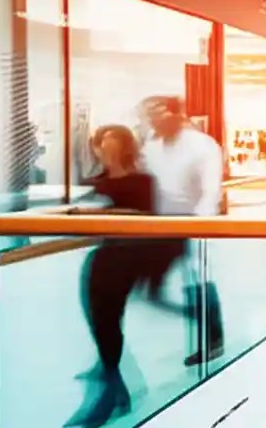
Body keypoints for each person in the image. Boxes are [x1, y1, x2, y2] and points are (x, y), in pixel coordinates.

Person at [67, 125, 175, 427]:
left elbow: (146, 219)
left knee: (108, 324)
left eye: (111, 142)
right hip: (102, 258)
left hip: (130, 258)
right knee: (101, 321)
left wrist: (99, 216)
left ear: (125, 147)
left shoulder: (142, 182)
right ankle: (113, 380)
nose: (105, 148)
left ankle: (109, 393)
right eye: (101, 142)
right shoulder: (95, 183)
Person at [141, 96, 226, 367]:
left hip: (191, 223)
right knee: (151, 290)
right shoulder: (151, 147)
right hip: (158, 226)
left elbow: (211, 190)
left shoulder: (202, 146)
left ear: (177, 114)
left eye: (158, 113)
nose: (152, 120)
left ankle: (212, 338)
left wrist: (196, 224)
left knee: (198, 278)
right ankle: (198, 316)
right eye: (149, 115)